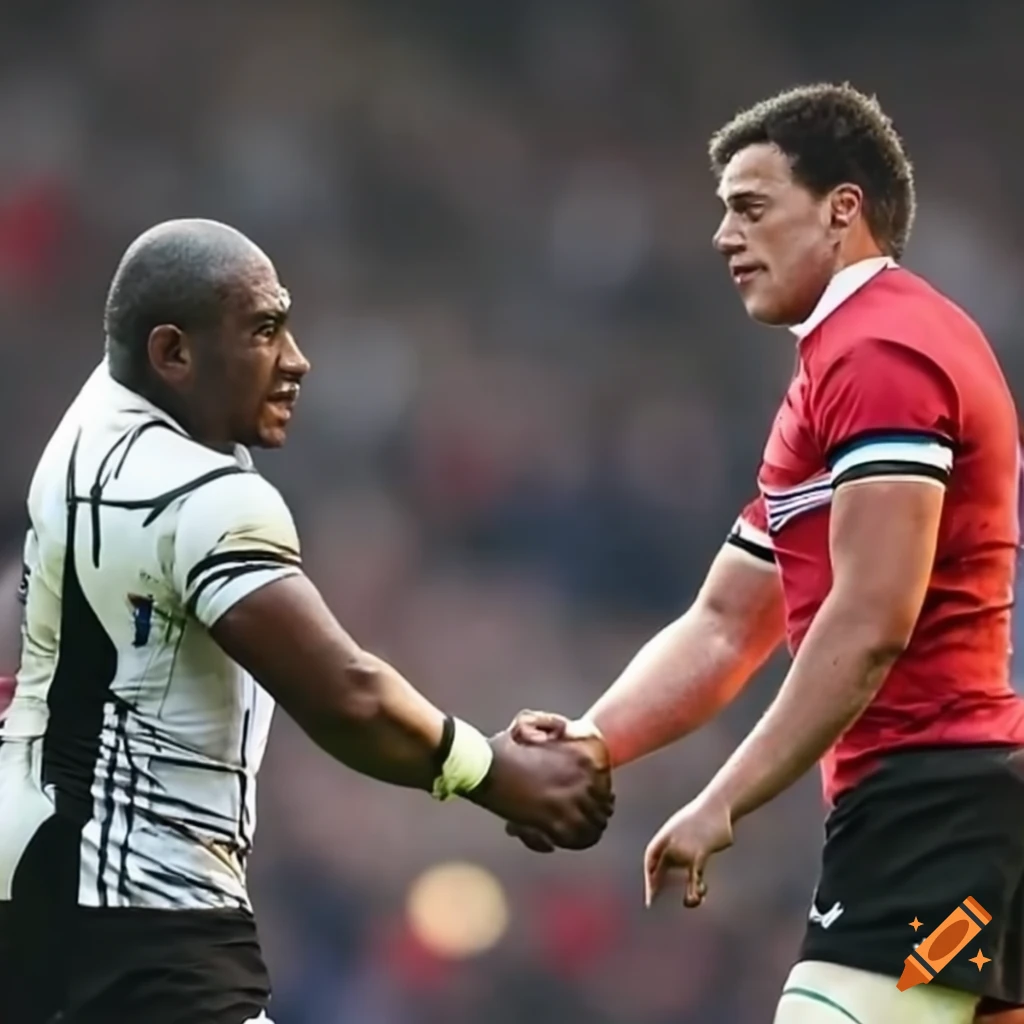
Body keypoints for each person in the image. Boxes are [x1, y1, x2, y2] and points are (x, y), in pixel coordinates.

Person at [0, 219, 613, 1024]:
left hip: (34, 885)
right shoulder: (206, 496)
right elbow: (345, 694)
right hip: (144, 910)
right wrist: (493, 772)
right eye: (263, 331)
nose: (296, 360)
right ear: (173, 353)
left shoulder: (88, 426)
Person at [508, 84, 1024, 1023]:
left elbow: (871, 620)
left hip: (934, 809)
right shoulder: (837, 365)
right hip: (948, 805)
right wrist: (594, 739)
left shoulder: (883, 352)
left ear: (841, 210)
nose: (723, 236)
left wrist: (724, 799)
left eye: (750, 207)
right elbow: (725, 624)